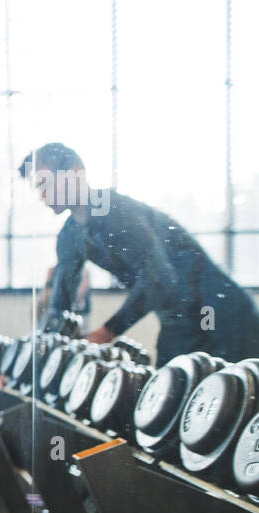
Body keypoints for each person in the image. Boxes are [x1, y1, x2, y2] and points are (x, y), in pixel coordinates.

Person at [20, 142, 259, 364]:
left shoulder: (117, 210)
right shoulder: (69, 237)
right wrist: (26, 363)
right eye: (37, 188)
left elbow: (159, 278)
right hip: (178, 319)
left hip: (223, 316)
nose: (41, 195)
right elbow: (59, 307)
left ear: (75, 170)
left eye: (45, 184)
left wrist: (106, 332)